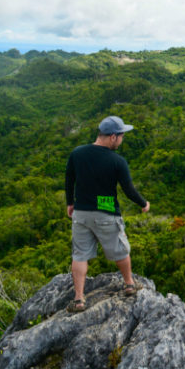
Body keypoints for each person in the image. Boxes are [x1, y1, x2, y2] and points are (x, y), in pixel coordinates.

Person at [64, 115, 150, 312]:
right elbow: (128, 189)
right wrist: (143, 203)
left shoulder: (77, 153)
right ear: (113, 137)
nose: (122, 140)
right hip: (106, 209)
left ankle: (79, 299)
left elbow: (69, 179)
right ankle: (129, 284)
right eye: (121, 136)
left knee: (79, 255)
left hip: (81, 212)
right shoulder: (117, 161)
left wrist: (70, 203)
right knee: (120, 249)